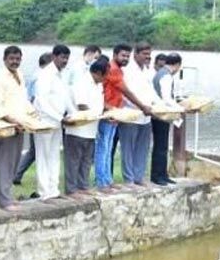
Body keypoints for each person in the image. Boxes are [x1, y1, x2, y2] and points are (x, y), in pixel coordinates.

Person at [95, 44, 152, 191]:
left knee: (108, 148)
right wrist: (142, 106)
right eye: (123, 55)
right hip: (108, 112)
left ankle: (107, 179)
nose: (125, 58)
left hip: (115, 113)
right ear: (114, 55)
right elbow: (127, 92)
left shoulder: (119, 69)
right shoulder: (113, 69)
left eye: (127, 56)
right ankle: (102, 182)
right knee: (103, 148)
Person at [0, 46, 33, 210]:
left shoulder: (19, 75)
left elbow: (23, 100)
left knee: (14, 162)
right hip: (6, 126)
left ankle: (8, 195)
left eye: (18, 59)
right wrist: (13, 121)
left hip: (20, 125)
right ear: (4, 59)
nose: (15, 62)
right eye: (12, 59)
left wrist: (32, 114)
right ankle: (3, 200)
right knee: (4, 162)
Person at [32, 45, 72, 200]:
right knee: (43, 155)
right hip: (45, 120)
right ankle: (43, 192)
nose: (65, 61)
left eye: (67, 58)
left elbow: (65, 97)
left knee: (55, 154)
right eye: (62, 57)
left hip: (58, 121)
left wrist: (73, 114)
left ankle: (53, 189)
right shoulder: (45, 74)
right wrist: (59, 117)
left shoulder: (62, 74)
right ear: (54, 57)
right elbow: (41, 101)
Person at [64, 58, 107, 195]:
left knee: (86, 160)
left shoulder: (97, 85)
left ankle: (83, 186)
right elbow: (81, 105)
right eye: (105, 75)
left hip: (91, 129)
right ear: (99, 73)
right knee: (74, 160)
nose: (106, 78)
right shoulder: (82, 83)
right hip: (78, 128)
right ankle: (71, 189)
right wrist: (95, 115)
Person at [119, 42, 160, 185]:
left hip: (146, 116)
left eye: (149, 54)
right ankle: (129, 179)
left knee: (143, 148)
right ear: (135, 54)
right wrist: (141, 106)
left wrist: (159, 106)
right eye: (144, 54)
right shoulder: (127, 70)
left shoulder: (148, 70)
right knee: (128, 149)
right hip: (131, 114)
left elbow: (152, 92)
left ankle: (138, 176)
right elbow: (125, 93)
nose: (147, 57)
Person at [13, 52, 53, 185]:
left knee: (34, 150)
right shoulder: (40, 78)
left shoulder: (34, 76)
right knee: (35, 150)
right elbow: (34, 99)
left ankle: (17, 174)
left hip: (34, 117)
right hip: (37, 118)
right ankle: (17, 174)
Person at [151, 52, 183, 185]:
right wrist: (180, 108)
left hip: (159, 113)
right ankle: (158, 176)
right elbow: (166, 98)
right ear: (177, 65)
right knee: (161, 146)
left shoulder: (160, 73)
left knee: (162, 146)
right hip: (161, 114)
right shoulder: (166, 76)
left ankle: (163, 174)